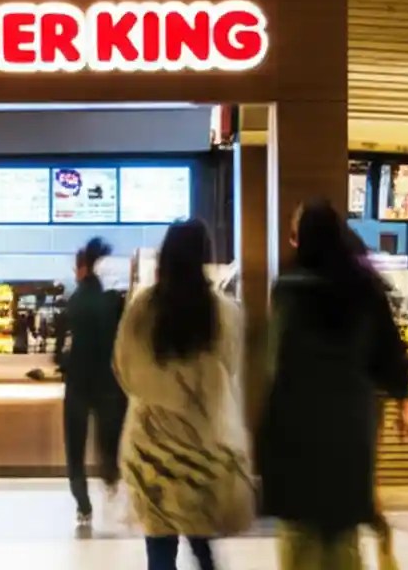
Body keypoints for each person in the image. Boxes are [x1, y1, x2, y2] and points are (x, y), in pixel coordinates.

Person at [258, 198, 408, 569]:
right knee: (342, 539)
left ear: (302, 239)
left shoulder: (288, 290)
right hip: (350, 432)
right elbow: (390, 353)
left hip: (298, 434)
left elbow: (276, 365)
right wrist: (403, 403)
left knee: (300, 541)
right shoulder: (364, 290)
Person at [114, 220, 252, 570]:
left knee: (159, 552)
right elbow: (230, 369)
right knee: (204, 550)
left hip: (150, 451)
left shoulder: (142, 309)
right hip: (202, 448)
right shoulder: (224, 311)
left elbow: (123, 369)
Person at [55, 237, 127, 526]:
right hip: (109, 384)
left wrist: (64, 364)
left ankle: (83, 505)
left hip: (77, 386)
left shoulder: (72, 303)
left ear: (83, 267)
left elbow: (61, 352)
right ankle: (110, 476)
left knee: (75, 448)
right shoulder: (113, 303)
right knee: (109, 438)